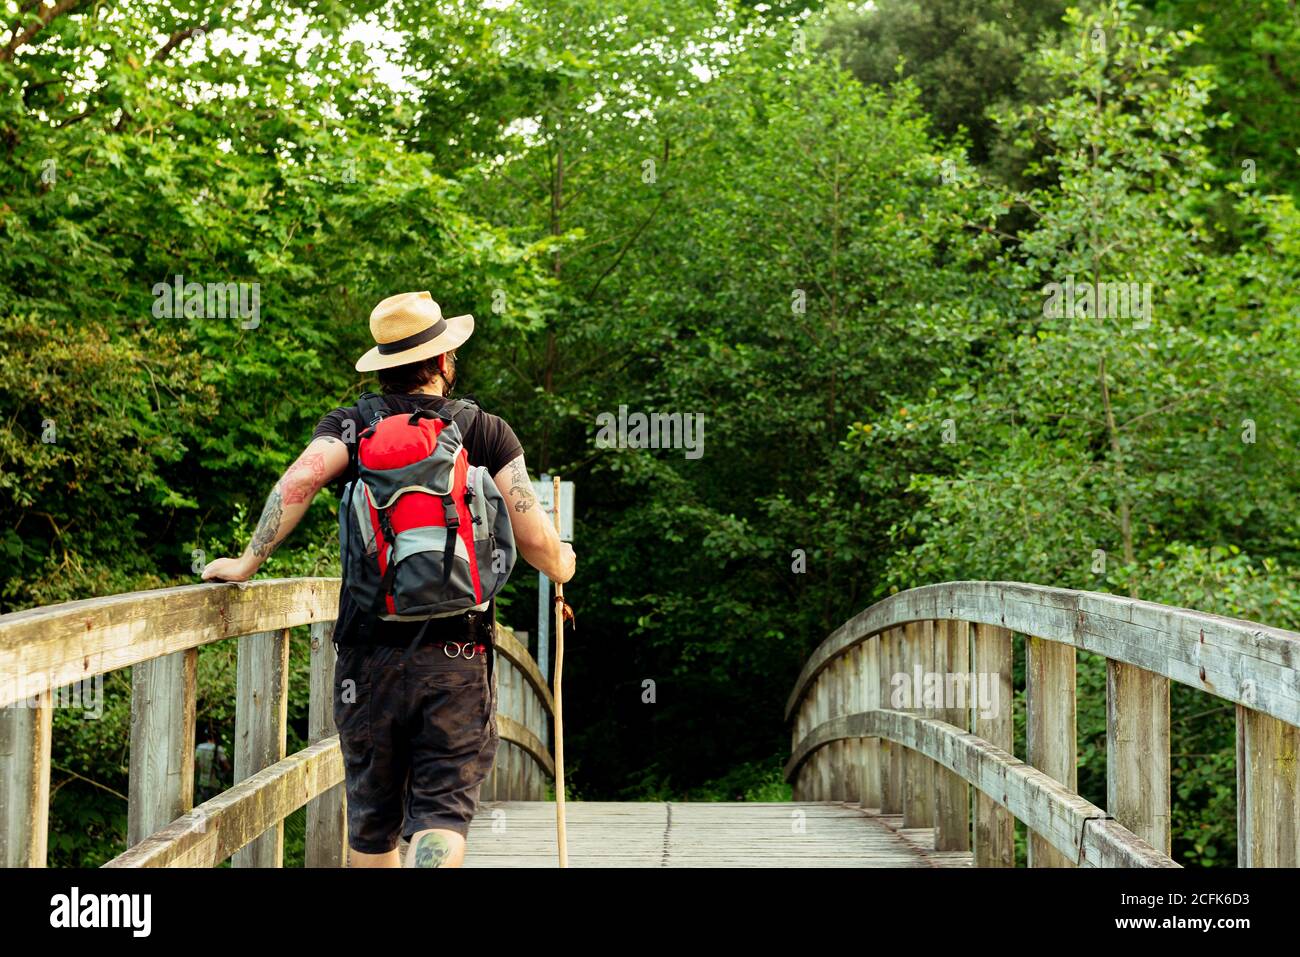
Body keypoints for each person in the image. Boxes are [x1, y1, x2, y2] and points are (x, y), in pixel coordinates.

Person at [202, 291, 576, 868]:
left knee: (372, 827)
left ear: (382, 364)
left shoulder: (350, 426)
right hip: (456, 652)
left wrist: (248, 561)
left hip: (368, 656)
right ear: (445, 361)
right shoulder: (484, 430)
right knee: (442, 815)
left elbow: (297, 484)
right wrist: (563, 564)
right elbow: (533, 538)